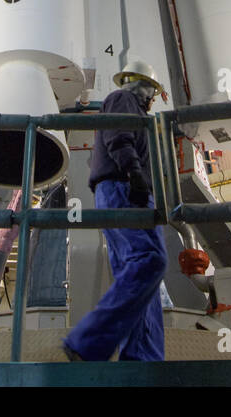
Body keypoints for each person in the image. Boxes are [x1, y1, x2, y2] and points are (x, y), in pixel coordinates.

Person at [62, 59, 168, 361]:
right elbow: (118, 136)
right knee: (150, 260)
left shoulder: (131, 106)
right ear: (144, 86)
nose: (153, 99)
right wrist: (134, 172)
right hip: (124, 187)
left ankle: (141, 355)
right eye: (153, 92)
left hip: (122, 189)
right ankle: (88, 342)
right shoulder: (123, 99)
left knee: (136, 273)